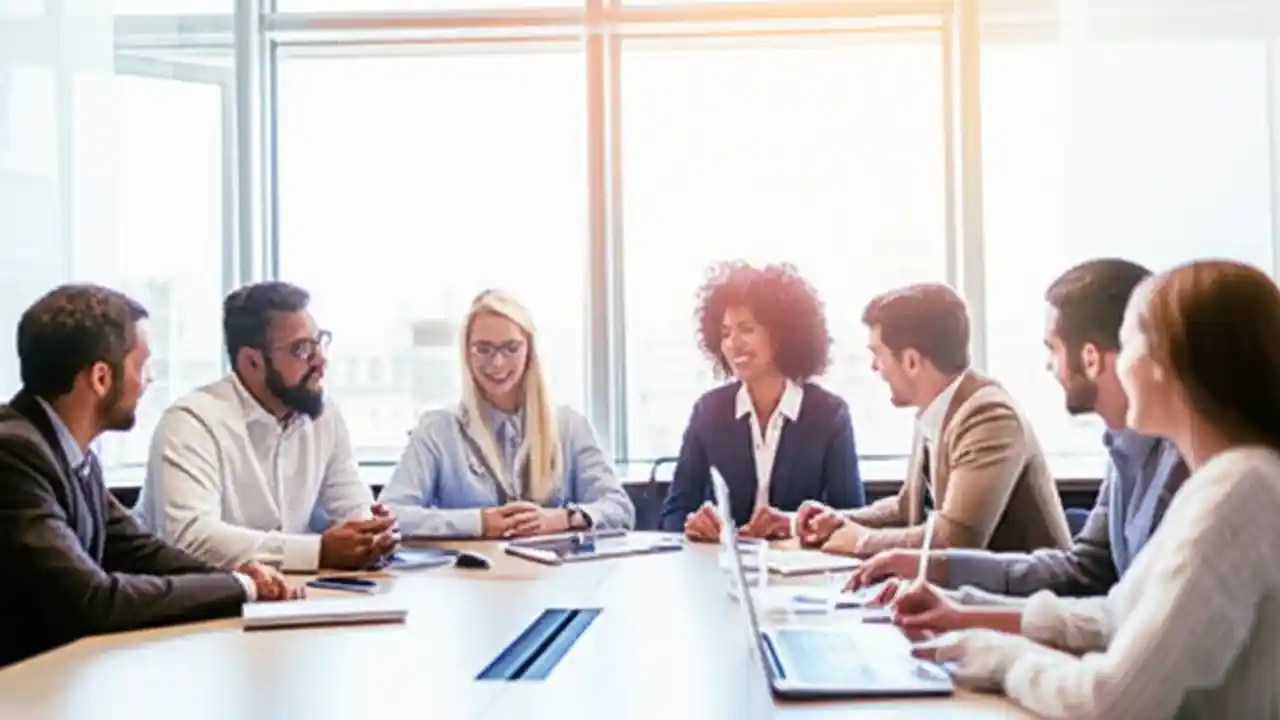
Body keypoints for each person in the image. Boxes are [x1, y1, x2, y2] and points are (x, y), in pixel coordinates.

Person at [894, 260, 1280, 718]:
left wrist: (994, 655)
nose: (1119, 361)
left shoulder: (1237, 492)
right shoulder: (1232, 480)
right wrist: (965, 610)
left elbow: (1110, 702)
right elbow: (1118, 615)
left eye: (1130, 341)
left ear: (1170, 361)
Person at [848, 259, 1188, 597]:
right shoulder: (1122, 449)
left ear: (1091, 358)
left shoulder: (1187, 466)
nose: (1048, 366)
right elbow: (1091, 569)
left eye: (1052, 348)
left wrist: (870, 545)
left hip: (1065, 617)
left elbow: (1125, 615)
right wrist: (935, 573)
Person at [0, 285, 297, 667]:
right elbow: (89, 600)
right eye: (140, 365)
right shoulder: (14, 455)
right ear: (101, 378)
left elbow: (134, 548)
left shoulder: (64, 448)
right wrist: (240, 587)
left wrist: (238, 576)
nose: (148, 380)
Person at [137, 282, 397, 571]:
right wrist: (318, 551)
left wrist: (372, 534)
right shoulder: (191, 422)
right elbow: (190, 538)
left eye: (320, 342)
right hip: (203, 599)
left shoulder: (323, 414)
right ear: (251, 361)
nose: (321, 361)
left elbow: (350, 503)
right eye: (301, 349)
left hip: (296, 593)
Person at [796, 283, 1069, 556]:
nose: (874, 367)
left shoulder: (989, 417)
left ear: (912, 361)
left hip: (1030, 596)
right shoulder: (935, 406)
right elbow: (907, 508)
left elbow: (956, 539)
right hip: (969, 593)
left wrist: (862, 541)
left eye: (877, 354)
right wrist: (841, 521)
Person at [380, 290, 634, 538]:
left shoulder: (568, 426)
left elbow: (620, 510)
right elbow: (390, 516)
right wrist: (477, 523)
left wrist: (561, 519)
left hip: (553, 578)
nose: (498, 363)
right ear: (467, 353)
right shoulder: (438, 429)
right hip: (468, 578)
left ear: (529, 351)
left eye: (511, 348)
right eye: (483, 348)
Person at [658, 262, 864, 542]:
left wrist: (793, 527)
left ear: (781, 335)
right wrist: (692, 524)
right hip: (725, 572)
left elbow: (849, 517)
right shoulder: (708, 412)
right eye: (725, 333)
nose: (733, 343)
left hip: (801, 577)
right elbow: (673, 513)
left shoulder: (829, 415)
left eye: (746, 329)